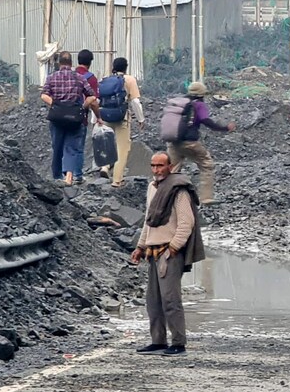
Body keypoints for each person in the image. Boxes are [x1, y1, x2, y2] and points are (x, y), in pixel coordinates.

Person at [131, 152, 205, 357]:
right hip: (153, 252)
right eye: (153, 166)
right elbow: (149, 221)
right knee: (153, 300)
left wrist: (173, 248)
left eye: (160, 166)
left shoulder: (178, 190)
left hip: (169, 252)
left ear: (170, 166)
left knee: (170, 299)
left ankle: (178, 343)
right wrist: (140, 247)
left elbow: (186, 223)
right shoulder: (152, 188)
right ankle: (158, 341)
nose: (156, 170)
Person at [167, 82, 236, 205]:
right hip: (189, 142)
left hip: (173, 141)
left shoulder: (179, 103)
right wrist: (225, 128)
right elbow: (206, 121)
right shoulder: (199, 105)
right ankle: (206, 197)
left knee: (172, 169)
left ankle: (165, 197)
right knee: (206, 164)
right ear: (202, 93)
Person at [40, 51, 98, 185]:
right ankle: (69, 177)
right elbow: (92, 96)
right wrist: (82, 107)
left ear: (59, 63)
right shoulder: (79, 78)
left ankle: (56, 176)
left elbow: (44, 95)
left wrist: (55, 104)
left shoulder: (51, 77)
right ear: (71, 63)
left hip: (57, 118)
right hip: (74, 118)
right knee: (71, 147)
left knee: (57, 147)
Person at [98, 57, 146, 187]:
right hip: (122, 117)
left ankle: (105, 167)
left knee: (107, 143)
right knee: (122, 148)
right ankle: (117, 180)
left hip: (105, 116)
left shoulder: (104, 80)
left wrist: (96, 118)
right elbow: (135, 102)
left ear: (113, 67)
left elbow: (98, 100)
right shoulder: (129, 80)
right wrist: (141, 119)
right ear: (126, 67)